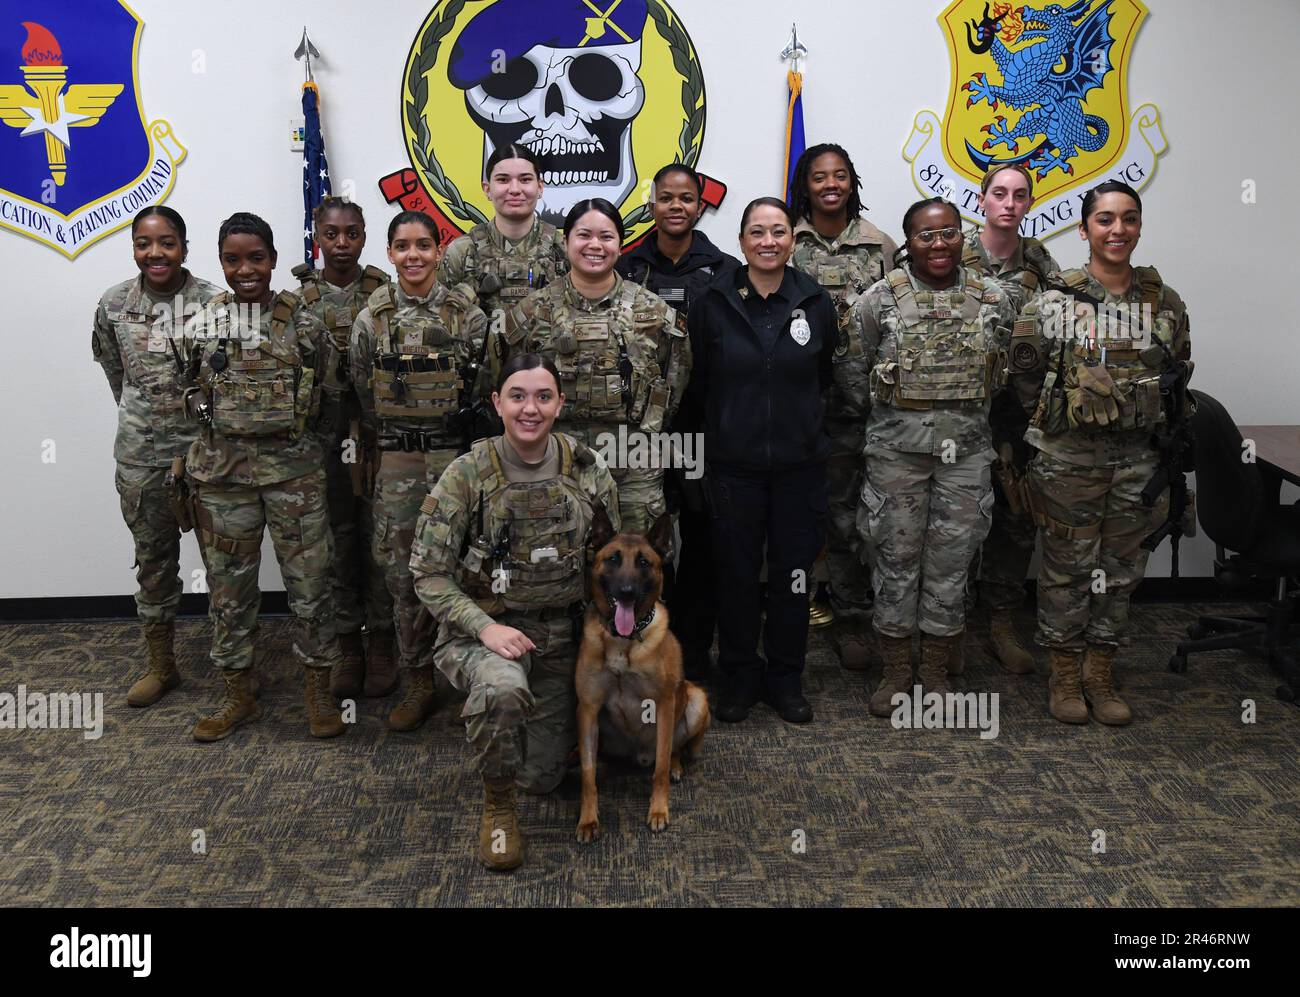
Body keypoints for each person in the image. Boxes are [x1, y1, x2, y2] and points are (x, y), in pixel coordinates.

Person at [410, 353, 620, 871]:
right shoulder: (467, 474)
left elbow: (609, 561)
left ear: (560, 404)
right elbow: (428, 574)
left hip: (560, 636)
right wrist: (485, 628)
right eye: (518, 397)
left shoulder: (588, 468)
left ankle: (521, 745)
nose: (531, 409)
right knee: (502, 691)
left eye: (543, 397)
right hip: (487, 633)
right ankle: (498, 808)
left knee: (542, 779)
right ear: (497, 403)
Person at [1015, 181, 1191, 725]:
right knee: (1066, 571)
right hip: (1069, 463)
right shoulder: (1054, 302)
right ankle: (1065, 674)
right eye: (1106, 219)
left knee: (1120, 572)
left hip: (1138, 463)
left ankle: (1101, 671)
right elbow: (1024, 378)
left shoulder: (1165, 302)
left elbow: (1177, 375)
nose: (1118, 230)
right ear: (1085, 228)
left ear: (1139, 226)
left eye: (1129, 218)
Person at [183, 212, 345, 741]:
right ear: (220, 262)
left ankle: (319, 690)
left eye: (256, 257)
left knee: (312, 587)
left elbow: (332, 397)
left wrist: (306, 451)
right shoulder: (202, 323)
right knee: (228, 591)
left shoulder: (305, 323)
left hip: (293, 477)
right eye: (233, 259)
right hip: (223, 480)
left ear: (273, 259)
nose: (245, 269)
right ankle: (239, 693)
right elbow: (184, 389)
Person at [853, 197, 1014, 717]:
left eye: (949, 232)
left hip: (964, 456)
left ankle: (938, 671)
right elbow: (852, 378)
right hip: (897, 457)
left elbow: (1004, 374)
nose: (939, 243)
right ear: (908, 242)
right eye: (926, 235)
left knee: (951, 564)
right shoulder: (878, 300)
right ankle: (897, 670)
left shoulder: (994, 299)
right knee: (895, 562)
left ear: (963, 236)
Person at [686, 196, 837, 724]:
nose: (768, 241)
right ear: (741, 240)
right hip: (734, 469)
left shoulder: (815, 300)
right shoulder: (713, 302)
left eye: (778, 231)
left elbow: (824, 378)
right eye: (757, 232)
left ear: (792, 240)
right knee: (736, 577)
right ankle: (739, 677)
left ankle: (786, 678)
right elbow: (698, 385)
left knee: (793, 577)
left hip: (799, 469)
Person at [350, 211, 489, 732]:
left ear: (439, 250)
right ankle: (417, 681)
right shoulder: (371, 319)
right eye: (403, 246)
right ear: (389, 253)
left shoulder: (468, 316)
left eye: (424, 245)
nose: (414, 255)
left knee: (469, 567)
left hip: (457, 461)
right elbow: (363, 392)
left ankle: (473, 676)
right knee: (404, 574)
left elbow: (485, 388)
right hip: (399, 463)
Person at [91, 206, 222, 707]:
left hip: (207, 453)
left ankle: (233, 667)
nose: (155, 253)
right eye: (144, 244)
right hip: (143, 455)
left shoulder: (214, 303)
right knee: (153, 563)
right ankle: (161, 666)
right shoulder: (114, 303)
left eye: (166, 242)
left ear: (184, 247)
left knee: (223, 567)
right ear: (134, 249)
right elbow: (114, 370)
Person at [617, 163, 739, 680]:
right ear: (651, 204)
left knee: (703, 537)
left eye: (686, 198)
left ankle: (693, 644)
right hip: (640, 431)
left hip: (701, 427)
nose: (676, 207)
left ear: (699, 206)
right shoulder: (626, 265)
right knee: (641, 538)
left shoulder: (726, 270)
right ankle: (639, 643)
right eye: (666, 197)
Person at [506, 198, 688, 537]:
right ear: (566, 242)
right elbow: (505, 386)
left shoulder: (654, 312)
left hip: (634, 464)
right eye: (584, 235)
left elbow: (675, 382)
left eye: (606, 236)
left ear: (620, 244)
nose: (595, 245)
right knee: (557, 557)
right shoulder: (532, 313)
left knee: (637, 560)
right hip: (556, 458)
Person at [788, 144, 900, 672]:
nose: (830, 185)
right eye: (819, 177)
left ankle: (863, 618)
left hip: (872, 409)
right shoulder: (786, 240)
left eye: (839, 175)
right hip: (804, 408)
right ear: (804, 185)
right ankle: (811, 612)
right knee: (817, 514)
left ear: (852, 181)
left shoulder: (881, 245)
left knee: (868, 516)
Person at [291, 197, 396, 700]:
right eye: (331, 234)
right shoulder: (299, 301)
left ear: (364, 237)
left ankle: (383, 640)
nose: (341, 243)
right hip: (324, 441)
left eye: (352, 233)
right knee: (336, 542)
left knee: (380, 541)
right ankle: (347, 644)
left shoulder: (385, 294)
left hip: (378, 437)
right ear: (317, 237)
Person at [962, 164, 1060, 674]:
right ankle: (951, 626)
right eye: (999, 193)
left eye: (1020, 195)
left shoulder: (1040, 262)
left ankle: (1001, 623)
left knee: (1015, 517)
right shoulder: (953, 251)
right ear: (981, 200)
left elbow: (1061, 327)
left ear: (1029, 203)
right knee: (956, 518)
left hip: (1018, 410)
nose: (1009, 203)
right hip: (960, 407)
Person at [437, 143, 569, 384]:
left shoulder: (563, 250)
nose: (515, 189)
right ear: (487, 189)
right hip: (478, 389)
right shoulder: (462, 252)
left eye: (525, 179)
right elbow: (441, 325)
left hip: (546, 388)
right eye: (503, 180)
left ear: (540, 187)